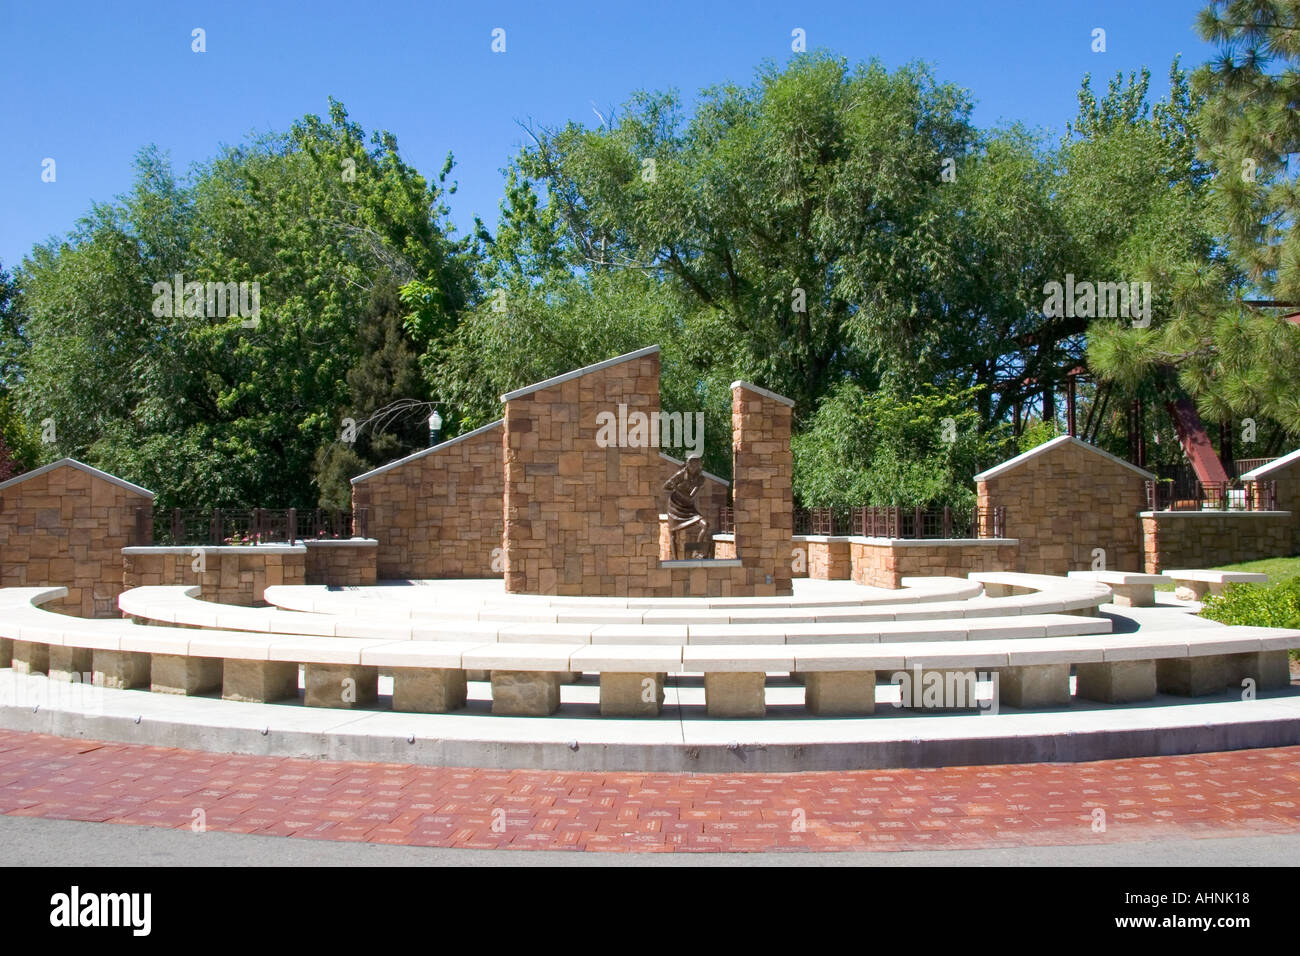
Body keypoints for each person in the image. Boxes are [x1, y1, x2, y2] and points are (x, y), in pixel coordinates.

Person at [663, 454, 710, 557]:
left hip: (688, 506)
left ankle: (696, 551)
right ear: (688, 465)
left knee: (705, 525)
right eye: (692, 465)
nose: (694, 468)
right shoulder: (681, 474)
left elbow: (690, 497)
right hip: (675, 505)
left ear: (699, 466)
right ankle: (675, 560)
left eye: (696, 465)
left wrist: (676, 488)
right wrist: (674, 486)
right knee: (673, 533)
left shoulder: (700, 479)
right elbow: (666, 486)